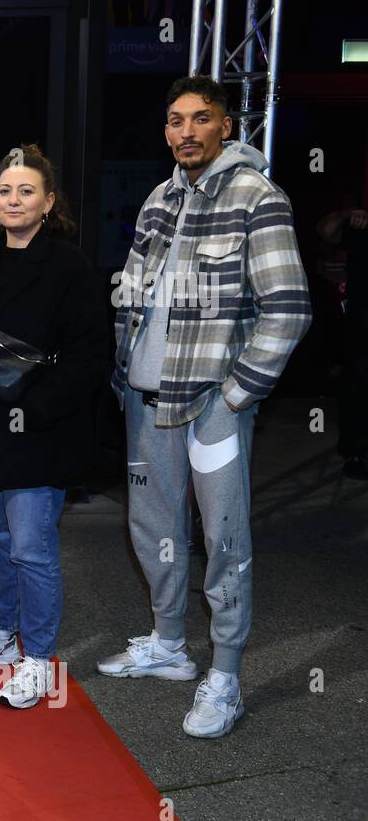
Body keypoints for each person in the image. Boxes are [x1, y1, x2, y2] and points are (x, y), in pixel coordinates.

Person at [102, 76, 312, 737]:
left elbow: (288, 306)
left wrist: (239, 393)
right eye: (174, 120)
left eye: (200, 119)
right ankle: (169, 644)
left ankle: (225, 676)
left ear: (226, 126)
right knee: (152, 524)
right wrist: (120, 372)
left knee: (223, 539)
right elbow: (134, 291)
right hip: (144, 395)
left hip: (212, 400)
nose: (185, 131)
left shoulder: (258, 195)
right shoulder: (160, 196)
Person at [0, 144, 107, 708]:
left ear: (48, 202)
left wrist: (38, 407)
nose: (13, 201)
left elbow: (92, 354)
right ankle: (1, 635)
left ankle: (38, 658)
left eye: (25, 191)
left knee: (33, 550)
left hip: (41, 431)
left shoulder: (69, 266)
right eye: (4, 191)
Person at [315, 203, 368, 480]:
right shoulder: (360, 224)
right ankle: (358, 453)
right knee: (358, 385)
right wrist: (347, 213)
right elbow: (325, 230)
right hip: (362, 323)